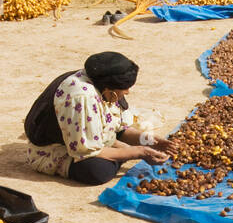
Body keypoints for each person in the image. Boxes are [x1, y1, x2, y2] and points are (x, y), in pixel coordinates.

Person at [23, 51, 171, 185]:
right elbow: (85, 152)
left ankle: (117, 151)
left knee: (119, 149)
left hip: (88, 139)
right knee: (97, 171)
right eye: (124, 89)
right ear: (109, 89)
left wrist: (152, 141)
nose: (127, 92)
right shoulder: (82, 98)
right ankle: (118, 152)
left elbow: (118, 129)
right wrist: (138, 152)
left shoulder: (102, 83)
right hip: (53, 151)